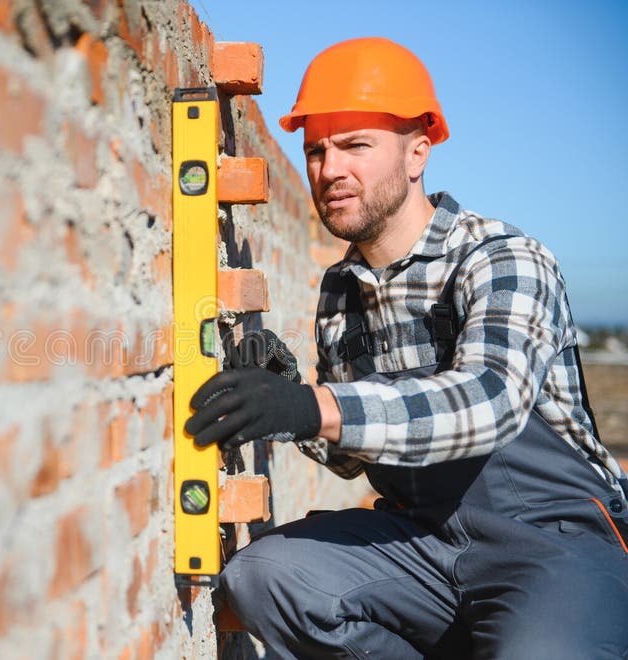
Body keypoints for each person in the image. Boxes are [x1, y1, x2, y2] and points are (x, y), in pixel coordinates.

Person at [184, 37, 628, 658]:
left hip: (551, 543)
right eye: (315, 150)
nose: (329, 169)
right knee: (267, 578)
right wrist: (287, 397)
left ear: (418, 151)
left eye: (355, 145)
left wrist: (314, 406)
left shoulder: (501, 259)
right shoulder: (341, 289)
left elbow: (489, 402)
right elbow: (348, 458)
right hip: (421, 546)